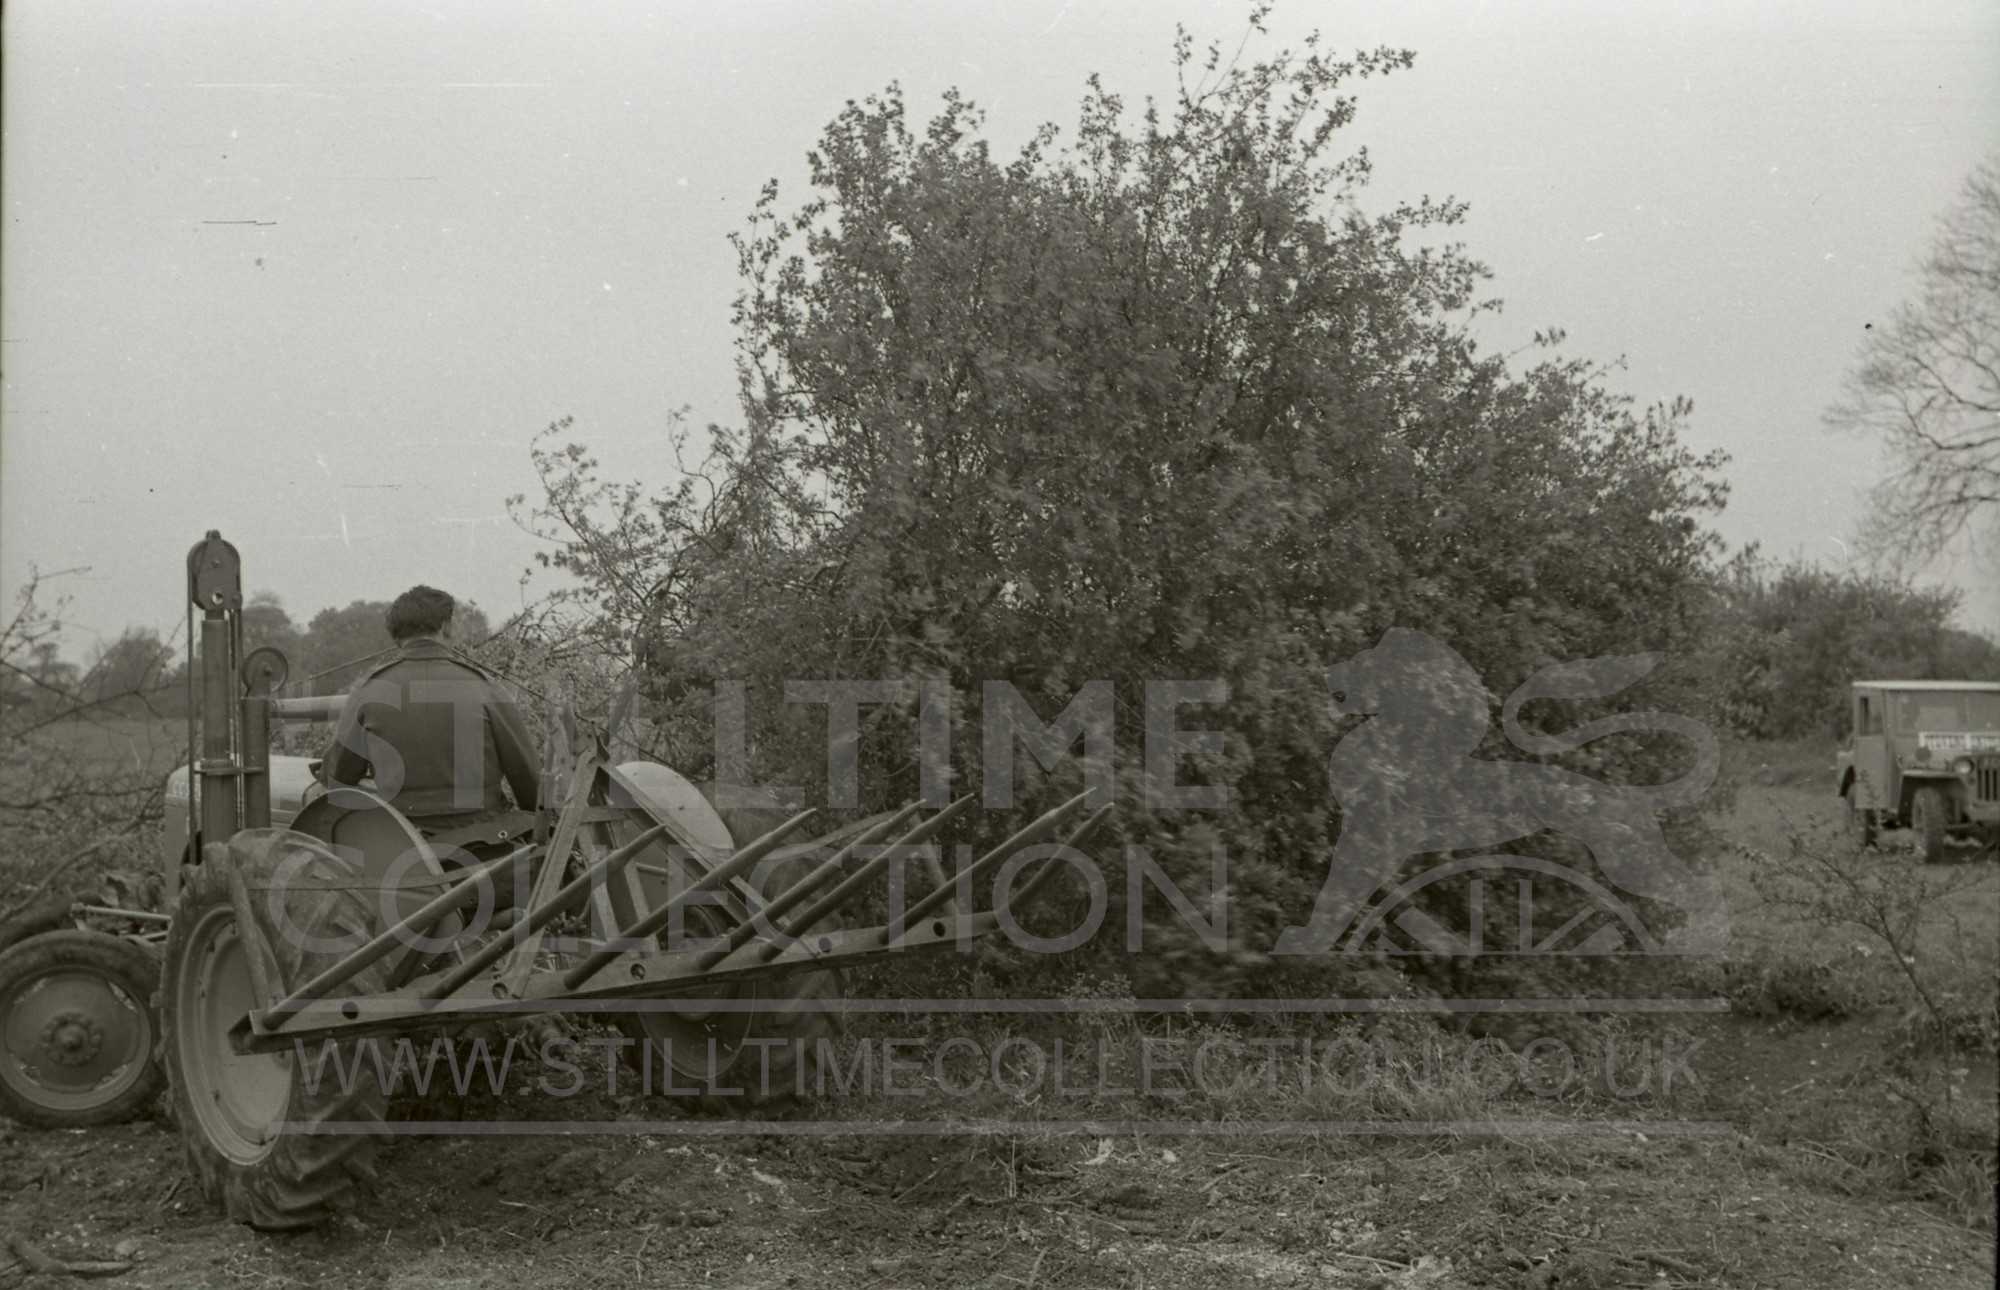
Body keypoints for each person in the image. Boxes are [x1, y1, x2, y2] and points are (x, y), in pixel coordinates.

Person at [321, 585, 540, 829]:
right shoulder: (485, 687)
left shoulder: (368, 691)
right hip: (487, 843)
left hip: (402, 844)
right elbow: (528, 781)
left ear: (396, 635)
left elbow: (337, 779)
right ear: (445, 627)